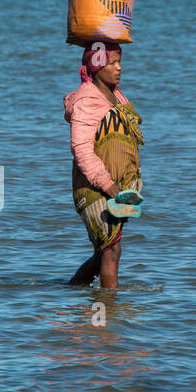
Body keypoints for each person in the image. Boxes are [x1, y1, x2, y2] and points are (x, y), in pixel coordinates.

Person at [64, 41, 144, 288]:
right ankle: (109, 309)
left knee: (104, 252)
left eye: (120, 62)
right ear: (96, 67)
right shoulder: (88, 100)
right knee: (111, 249)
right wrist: (109, 186)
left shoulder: (115, 95)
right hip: (93, 187)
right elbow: (82, 150)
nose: (119, 68)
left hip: (114, 187)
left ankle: (73, 290)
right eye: (112, 63)